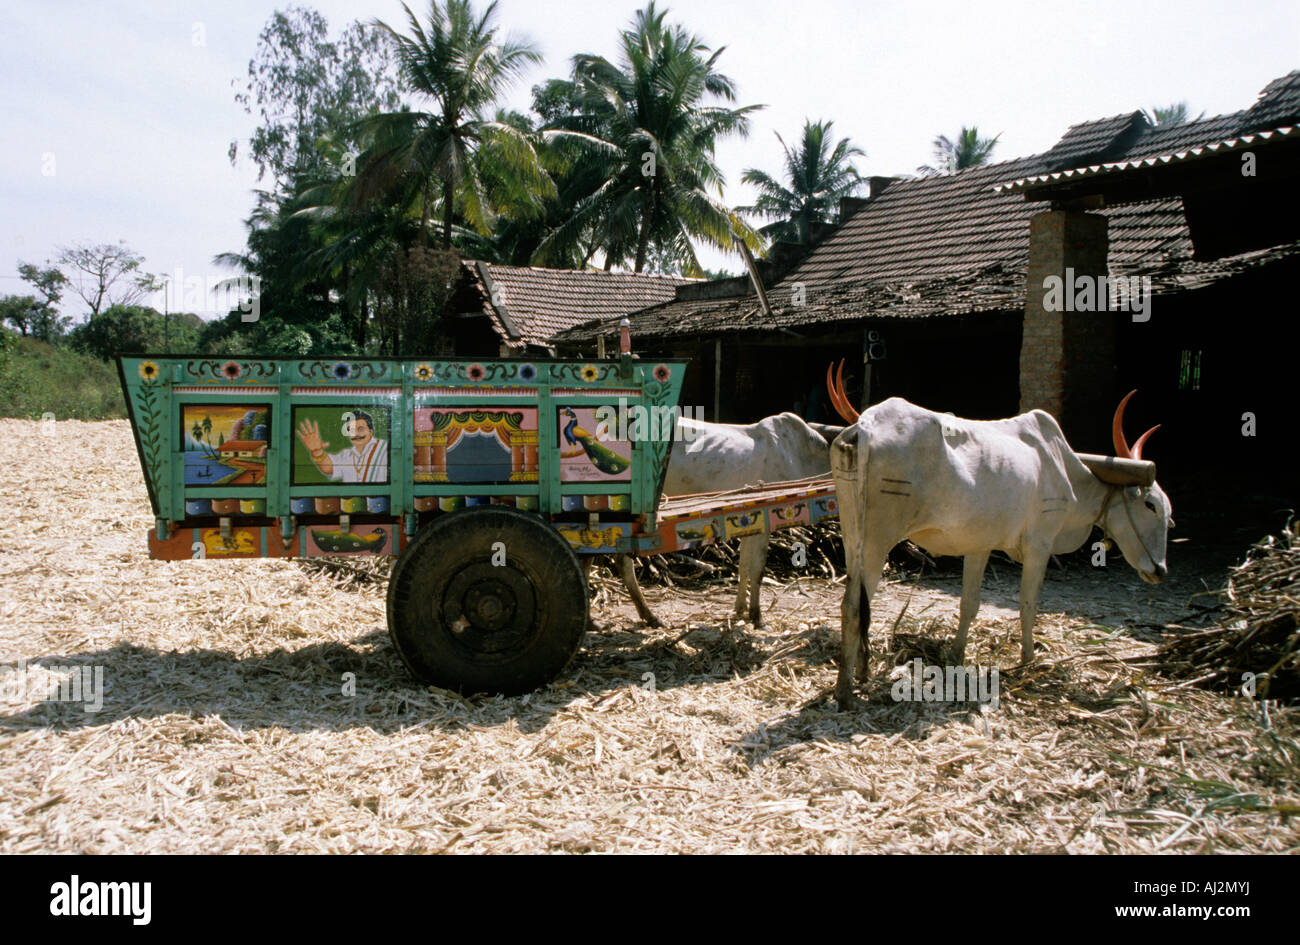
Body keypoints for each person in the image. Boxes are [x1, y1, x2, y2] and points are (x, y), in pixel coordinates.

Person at [296, 409, 388, 483]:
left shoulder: (385, 448)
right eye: (351, 430)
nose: (356, 434)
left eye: (360, 429)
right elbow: (328, 468)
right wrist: (317, 451)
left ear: (371, 431)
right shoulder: (346, 454)